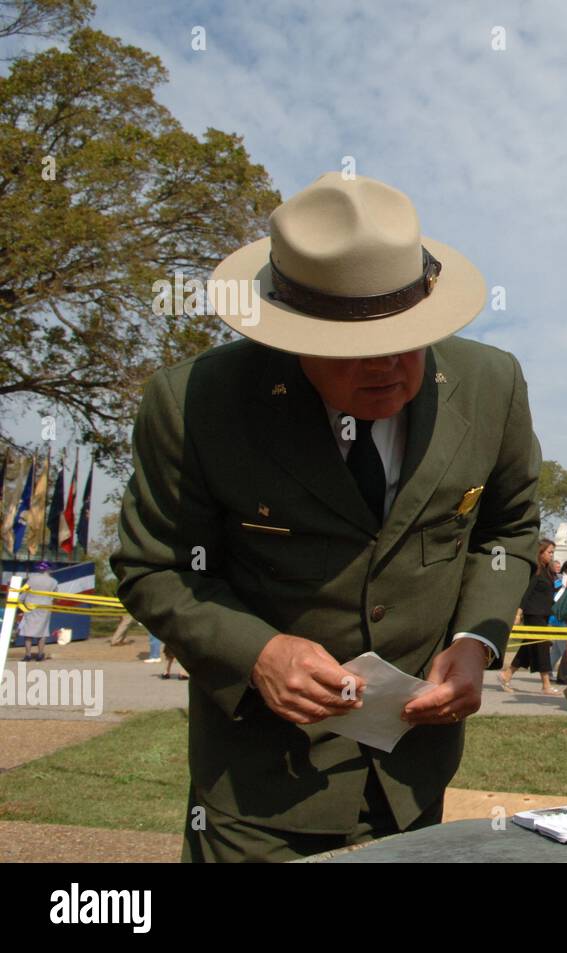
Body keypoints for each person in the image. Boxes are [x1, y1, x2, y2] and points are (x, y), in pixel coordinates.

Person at [112, 172, 541, 862]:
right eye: (353, 350)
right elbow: (153, 566)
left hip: (414, 775)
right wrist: (257, 652)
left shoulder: (492, 388)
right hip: (259, 790)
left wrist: (476, 639)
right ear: (289, 331)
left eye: (410, 337)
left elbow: (510, 528)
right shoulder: (195, 405)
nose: (388, 369)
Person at [500, 540, 562, 695]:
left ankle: (506, 675)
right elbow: (526, 593)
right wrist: (518, 612)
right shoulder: (536, 571)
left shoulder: (548, 571)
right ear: (540, 553)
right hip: (534, 614)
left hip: (544, 614)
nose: (551, 555)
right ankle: (546, 685)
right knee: (542, 647)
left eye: (553, 552)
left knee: (527, 648)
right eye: (549, 552)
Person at [16, 562, 57, 662]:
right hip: (44, 607)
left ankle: (28, 655)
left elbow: (25, 591)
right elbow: (55, 595)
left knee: (28, 631)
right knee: (42, 632)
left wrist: (20, 601)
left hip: (30, 606)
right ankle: (40, 654)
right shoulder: (53, 581)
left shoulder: (32, 579)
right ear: (48, 570)